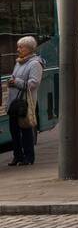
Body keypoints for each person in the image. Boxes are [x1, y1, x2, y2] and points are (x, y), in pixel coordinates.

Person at [5, 36, 42, 166]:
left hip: (25, 103)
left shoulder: (35, 64)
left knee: (25, 130)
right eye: (18, 47)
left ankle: (29, 157)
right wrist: (11, 81)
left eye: (21, 47)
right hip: (14, 102)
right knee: (14, 131)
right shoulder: (19, 62)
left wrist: (16, 82)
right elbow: (14, 77)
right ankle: (17, 156)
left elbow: (33, 83)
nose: (18, 49)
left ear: (30, 49)